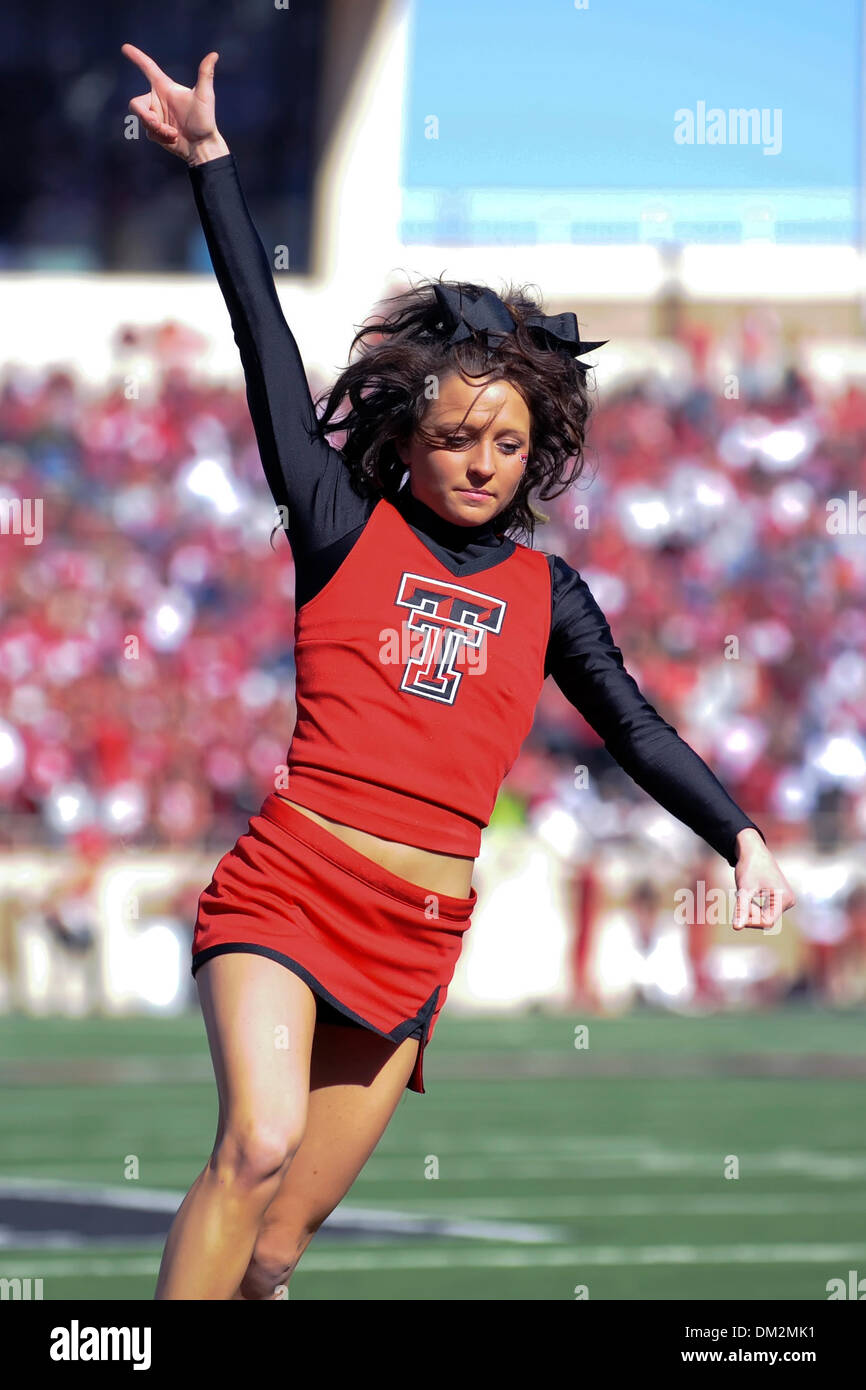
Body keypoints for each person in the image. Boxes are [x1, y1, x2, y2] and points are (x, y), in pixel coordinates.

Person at [122, 44, 796, 1301]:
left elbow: (636, 729)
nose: (478, 460)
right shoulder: (336, 519)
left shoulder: (548, 595)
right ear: (407, 438)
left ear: (535, 450)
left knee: (274, 1253)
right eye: (451, 437)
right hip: (291, 885)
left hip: (415, 934)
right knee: (255, 1145)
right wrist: (212, 166)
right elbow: (263, 339)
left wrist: (739, 835)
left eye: (504, 440)